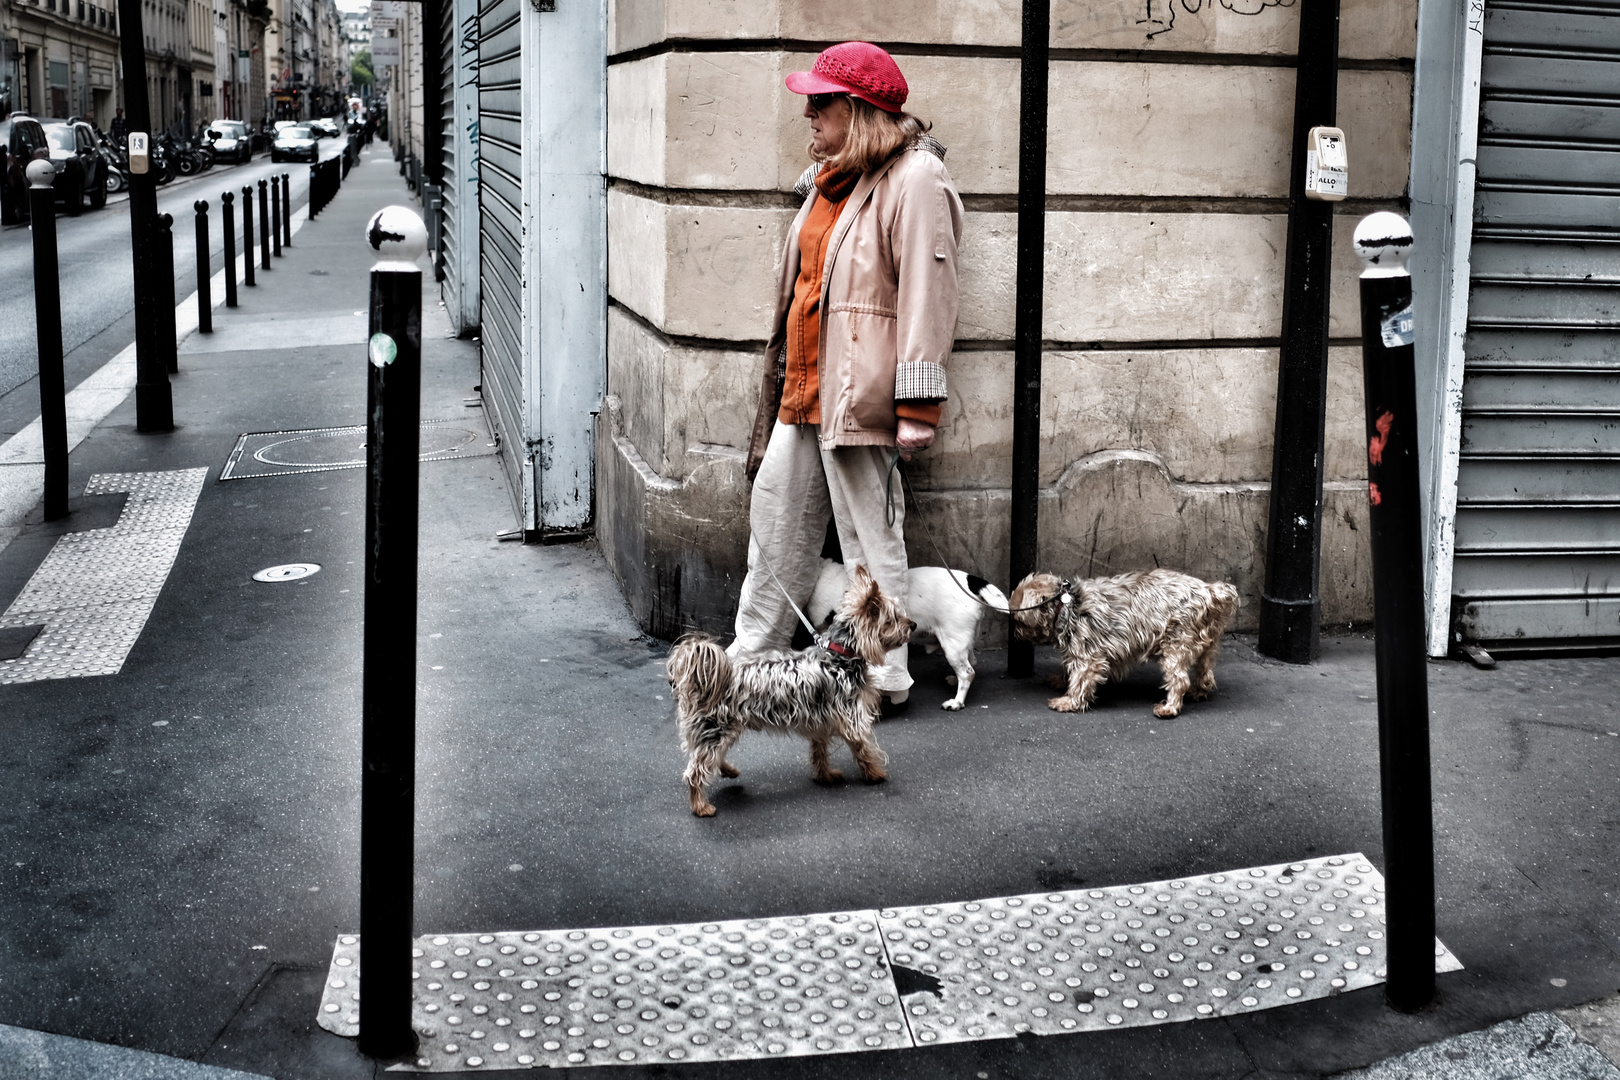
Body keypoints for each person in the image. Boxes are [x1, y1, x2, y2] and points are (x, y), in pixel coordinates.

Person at [729, 41, 964, 709]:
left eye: (821, 102)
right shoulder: (831, 181)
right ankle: (757, 652)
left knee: (869, 538)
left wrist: (919, 402)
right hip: (804, 388)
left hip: (859, 392)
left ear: (858, 111)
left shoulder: (914, 178)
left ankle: (884, 676)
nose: (808, 113)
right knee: (774, 520)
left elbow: (931, 292)